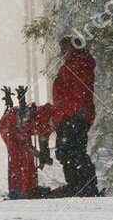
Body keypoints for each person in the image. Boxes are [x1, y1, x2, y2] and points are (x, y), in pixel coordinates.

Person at [28, 38, 100, 196]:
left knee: (70, 151)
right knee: (70, 150)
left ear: (73, 49)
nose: (62, 53)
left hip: (73, 117)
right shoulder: (76, 66)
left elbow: (76, 97)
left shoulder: (77, 67)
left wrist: (61, 115)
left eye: (64, 49)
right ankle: (82, 185)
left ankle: (79, 186)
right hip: (73, 115)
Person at [0, 87, 38, 199]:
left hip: (15, 127)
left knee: (25, 158)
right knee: (18, 159)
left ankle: (27, 187)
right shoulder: (26, 117)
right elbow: (22, 127)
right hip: (9, 130)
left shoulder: (34, 116)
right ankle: (20, 189)